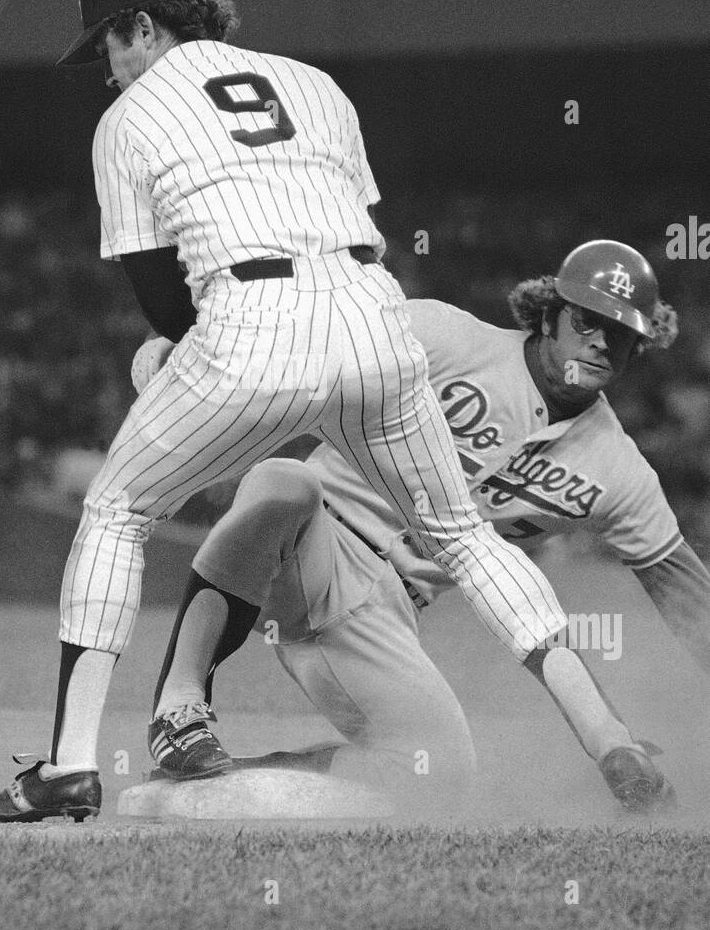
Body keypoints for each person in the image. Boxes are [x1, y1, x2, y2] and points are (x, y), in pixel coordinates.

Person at [0, 0, 588, 824]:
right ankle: (604, 733)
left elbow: (163, 300)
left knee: (116, 514)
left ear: (143, 27)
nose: (103, 70)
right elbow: (349, 231)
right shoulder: (316, 84)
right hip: (375, 315)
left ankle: (71, 764)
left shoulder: (129, 118)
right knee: (462, 534)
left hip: (251, 320)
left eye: (105, 45)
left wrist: (183, 367)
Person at [147, 241, 702, 811]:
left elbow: (689, 598)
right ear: (550, 312)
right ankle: (179, 704)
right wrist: (189, 338)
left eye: (622, 333)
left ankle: (232, 781)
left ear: (640, 347)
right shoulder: (441, 335)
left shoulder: (621, 472)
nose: (601, 342)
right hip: (311, 540)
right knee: (283, 481)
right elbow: (307, 331)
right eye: (588, 320)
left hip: (385, 616)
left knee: (437, 773)